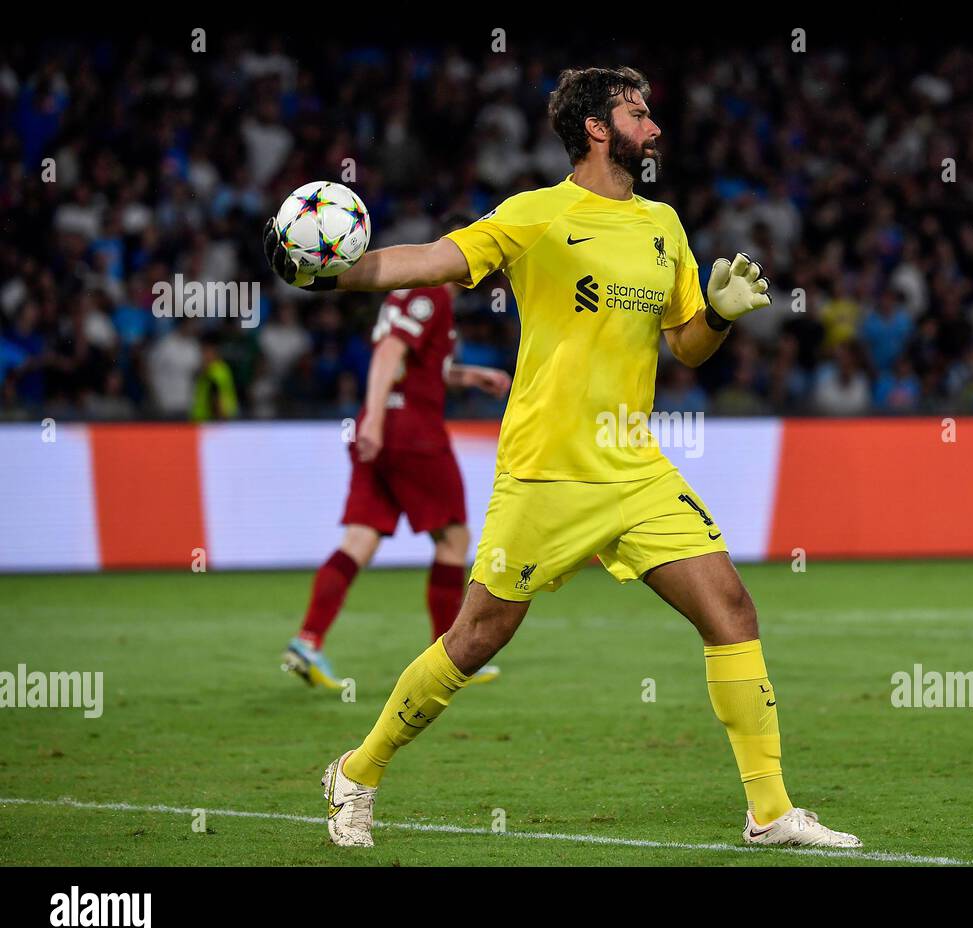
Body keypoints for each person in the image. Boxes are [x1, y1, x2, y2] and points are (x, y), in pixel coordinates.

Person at [265, 66, 860, 850]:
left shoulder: (665, 226)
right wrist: (336, 271)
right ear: (597, 128)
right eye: (637, 112)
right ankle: (359, 770)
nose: (653, 123)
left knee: (733, 612)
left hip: (634, 466)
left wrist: (715, 313)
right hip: (546, 468)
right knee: (476, 639)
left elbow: (686, 348)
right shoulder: (536, 217)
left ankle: (770, 811)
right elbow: (429, 260)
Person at [283, 215, 512, 690]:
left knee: (359, 541)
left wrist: (469, 377)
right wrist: (374, 418)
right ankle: (449, 656)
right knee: (453, 540)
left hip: (385, 431)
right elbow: (389, 352)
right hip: (411, 433)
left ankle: (308, 640)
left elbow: (417, 362)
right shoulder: (430, 293)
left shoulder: (410, 293)